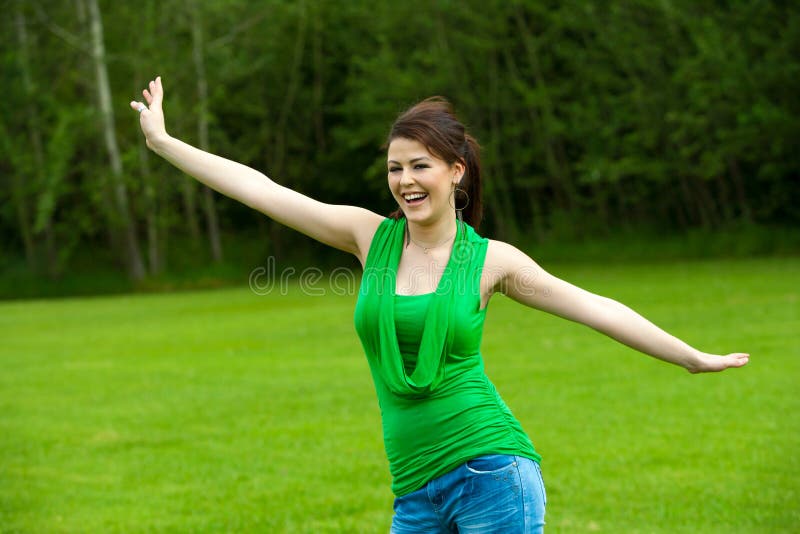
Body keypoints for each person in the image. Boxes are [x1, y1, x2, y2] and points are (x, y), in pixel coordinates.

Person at [131, 77, 749, 533]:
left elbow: (596, 308)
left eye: (420, 166)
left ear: (456, 172)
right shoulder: (367, 237)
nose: (405, 181)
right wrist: (164, 143)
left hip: (491, 475)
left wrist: (691, 357)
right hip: (414, 491)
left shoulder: (492, 263)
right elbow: (261, 189)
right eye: (396, 168)